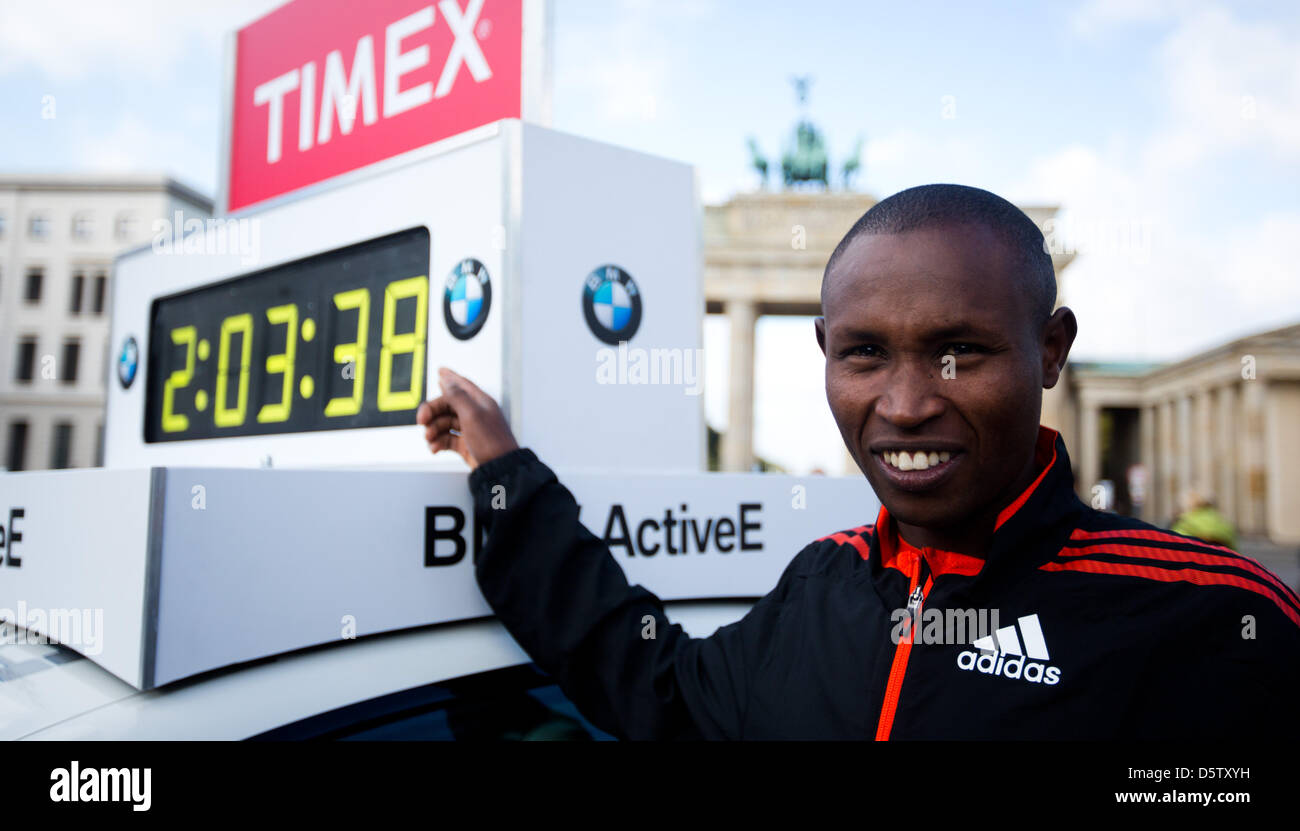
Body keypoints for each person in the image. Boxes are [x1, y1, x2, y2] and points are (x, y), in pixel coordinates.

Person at [416, 184, 1300, 740]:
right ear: (825, 350)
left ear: (1050, 351)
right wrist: (508, 480)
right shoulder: (824, 582)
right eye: (865, 354)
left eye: (959, 350)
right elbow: (661, 693)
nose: (907, 402)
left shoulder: (1213, 620)